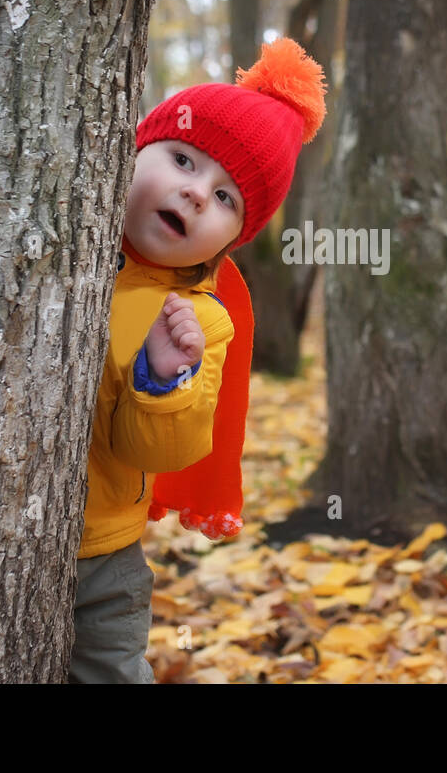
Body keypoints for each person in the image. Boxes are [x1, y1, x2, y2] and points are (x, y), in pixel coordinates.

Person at [69, 36, 327, 683]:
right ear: (134, 147)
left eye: (224, 198)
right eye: (183, 160)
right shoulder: (62, 230)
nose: (193, 194)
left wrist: (164, 375)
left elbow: (160, 451)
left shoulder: (197, 321)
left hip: (100, 556)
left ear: (233, 239)